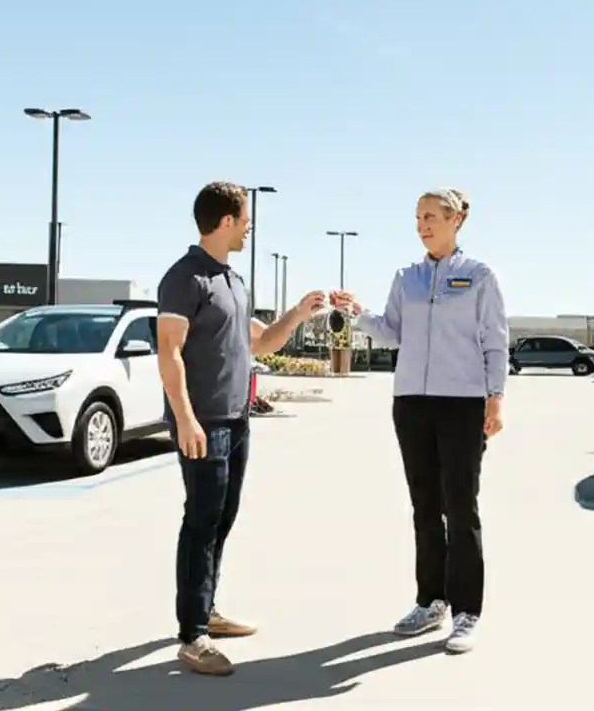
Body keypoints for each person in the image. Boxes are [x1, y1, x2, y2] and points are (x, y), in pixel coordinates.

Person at [156, 181, 326, 676]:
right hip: (204, 421)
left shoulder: (231, 280)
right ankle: (192, 636)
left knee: (222, 518)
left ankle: (206, 610)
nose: (250, 227)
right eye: (247, 218)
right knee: (201, 520)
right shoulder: (184, 278)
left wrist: (299, 313)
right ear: (227, 220)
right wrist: (185, 418)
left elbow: (262, 342)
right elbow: (169, 352)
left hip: (236, 419)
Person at [331, 187, 508, 654]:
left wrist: (495, 399)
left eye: (430, 216)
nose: (422, 225)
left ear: (456, 219)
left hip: (462, 403)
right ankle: (430, 601)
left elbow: (495, 341)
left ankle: (467, 612)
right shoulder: (406, 278)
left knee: (460, 507)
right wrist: (358, 314)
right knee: (424, 506)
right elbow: (392, 333)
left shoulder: (479, 276)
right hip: (411, 402)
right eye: (417, 217)